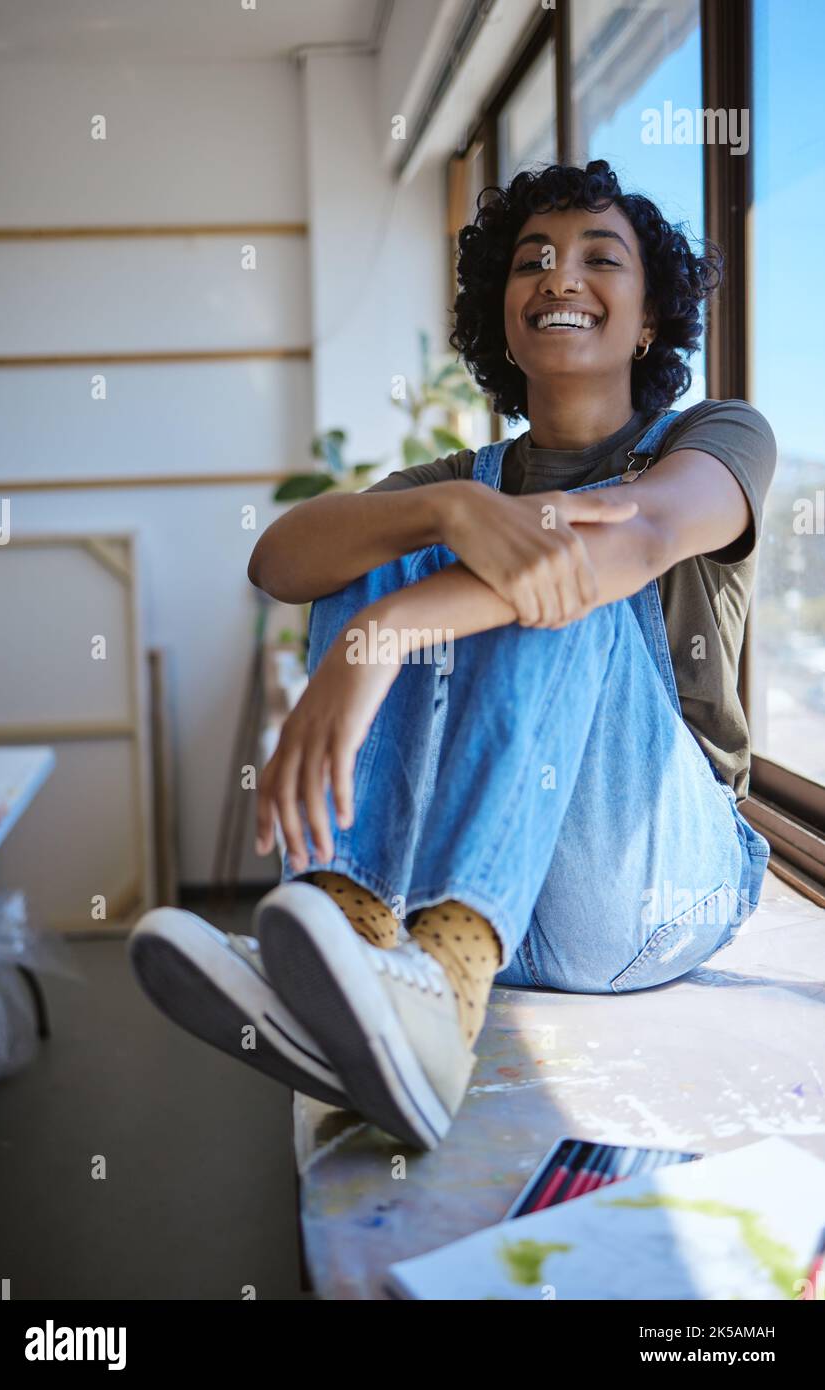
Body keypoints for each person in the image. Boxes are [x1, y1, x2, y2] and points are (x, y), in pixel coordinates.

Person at [130, 160, 775, 1151]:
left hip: (648, 886)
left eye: (599, 258)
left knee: (566, 575)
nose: (559, 278)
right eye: (532, 262)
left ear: (648, 321)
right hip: (477, 878)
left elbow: (632, 541)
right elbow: (280, 561)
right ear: (502, 317)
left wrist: (374, 637)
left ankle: (434, 995)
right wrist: (440, 508)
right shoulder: (459, 478)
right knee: (372, 538)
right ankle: (357, 940)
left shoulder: (714, 436)